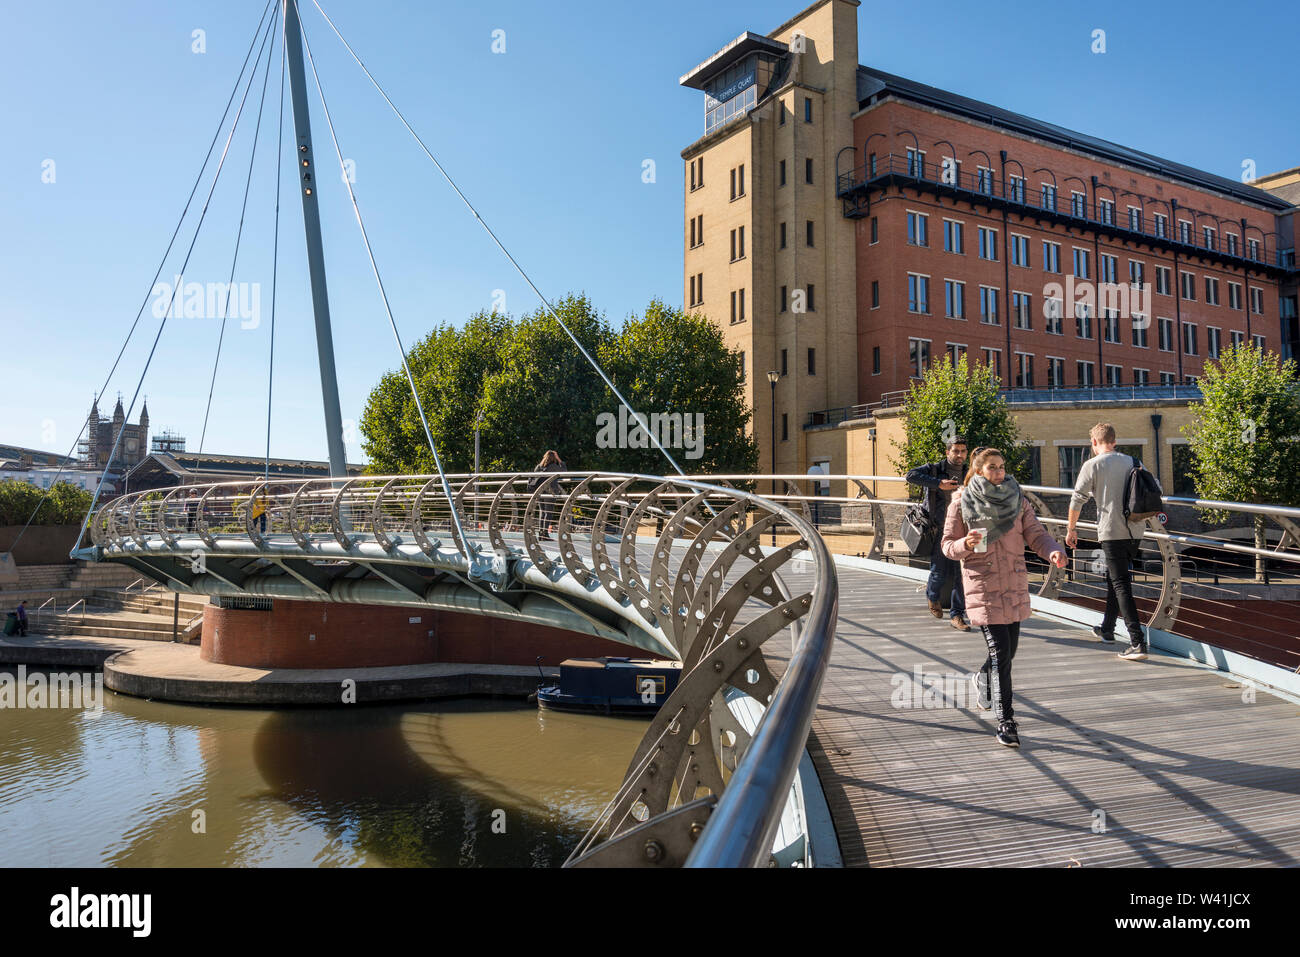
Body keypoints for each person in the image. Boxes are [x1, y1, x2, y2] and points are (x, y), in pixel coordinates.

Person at [942, 447, 1067, 748]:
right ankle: (1006, 721)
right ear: (979, 470)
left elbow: (1036, 534)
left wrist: (1052, 550)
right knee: (1001, 655)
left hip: (1013, 582)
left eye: (1001, 467)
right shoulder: (961, 502)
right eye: (992, 467)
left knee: (1008, 653)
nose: (998, 472)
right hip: (983, 584)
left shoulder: (1017, 500)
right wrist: (965, 543)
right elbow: (947, 546)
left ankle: (981, 678)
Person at [1065, 422, 1150, 661]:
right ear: (1114, 440)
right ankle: (1107, 630)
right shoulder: (1134, 461)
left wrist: (1071, 529)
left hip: (1111, 531)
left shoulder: (1092, 465)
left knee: (1121, 583)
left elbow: (1077, 500)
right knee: (1116, 578)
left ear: (1094, 442)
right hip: (1136, 530)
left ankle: (1137, 643)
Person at [906, 436, 970, 630]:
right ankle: (932, 597)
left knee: (962, 574)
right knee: (939, 571)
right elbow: (910, 475)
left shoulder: (969, 472)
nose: (959, 455)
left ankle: (957, 615)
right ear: (947, 452)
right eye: (955, 451)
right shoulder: (935, 468)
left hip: (964, 529)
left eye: (963, 451)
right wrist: (937, 483)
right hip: (940, 528)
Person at [531, 450, 567, 540]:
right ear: (553, 458)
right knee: (548, 512)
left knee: (542, 512)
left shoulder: (538, 467)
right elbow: (565, 471)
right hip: (550, 491)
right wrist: (559, 459)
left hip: (539, 492)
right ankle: (545, 534)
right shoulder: (553, 466)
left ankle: (541, 534)